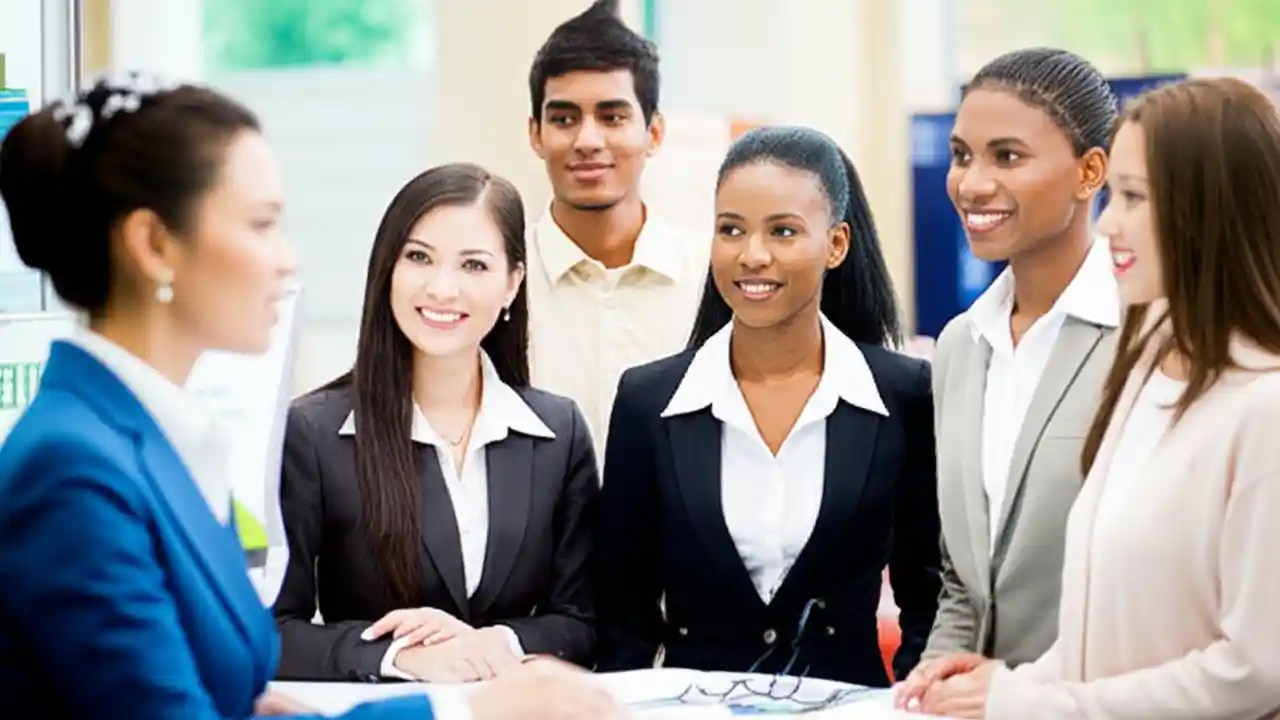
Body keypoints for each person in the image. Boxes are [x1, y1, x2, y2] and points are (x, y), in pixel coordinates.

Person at [0, 73, 623, 720]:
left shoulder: (166, 443)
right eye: (262, 224)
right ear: (155, 246)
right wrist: (466, 711)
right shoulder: (72, 469)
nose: (288, 260)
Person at [897, 76, 1280, 720]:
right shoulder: (1143, 374)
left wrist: (1031, 704)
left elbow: (1254, 673)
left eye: (1133, 198)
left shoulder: (1262, 408)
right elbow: (1104, 630)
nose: (1107, 226)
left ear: (1209, 210)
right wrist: (1007, 686)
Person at [596, 125, 940, 687]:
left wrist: (911, 704)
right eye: (731, 229)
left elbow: (927, 598)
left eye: (783, 231)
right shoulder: (648, 401)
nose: (752, 255)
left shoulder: (902, 394)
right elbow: (623, 619)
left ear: (836, 245)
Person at [274, 164, 598, 684]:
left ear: (512, 283)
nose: (442, 288)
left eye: (474, 265)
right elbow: (270, 630)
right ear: (388, 269)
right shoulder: (313, 433)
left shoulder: (558, 433)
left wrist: (498, 642)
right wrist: (399, 654)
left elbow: (582, 621)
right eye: (419, 257)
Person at [911, 48, 1120, 674]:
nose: (971, 183)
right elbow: (963, 584)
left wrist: (1028, 698)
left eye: (1007, 156)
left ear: (1090, 172)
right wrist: (933, 677)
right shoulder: (959, 347)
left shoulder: (1149, 338)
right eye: (960, 155)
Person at [525, 0, 708, 454]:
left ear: (655, 134)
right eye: (563, 119)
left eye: (612, 117)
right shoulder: (498, 281)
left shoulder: (714, 278)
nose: (587, 141)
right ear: (535, 135)